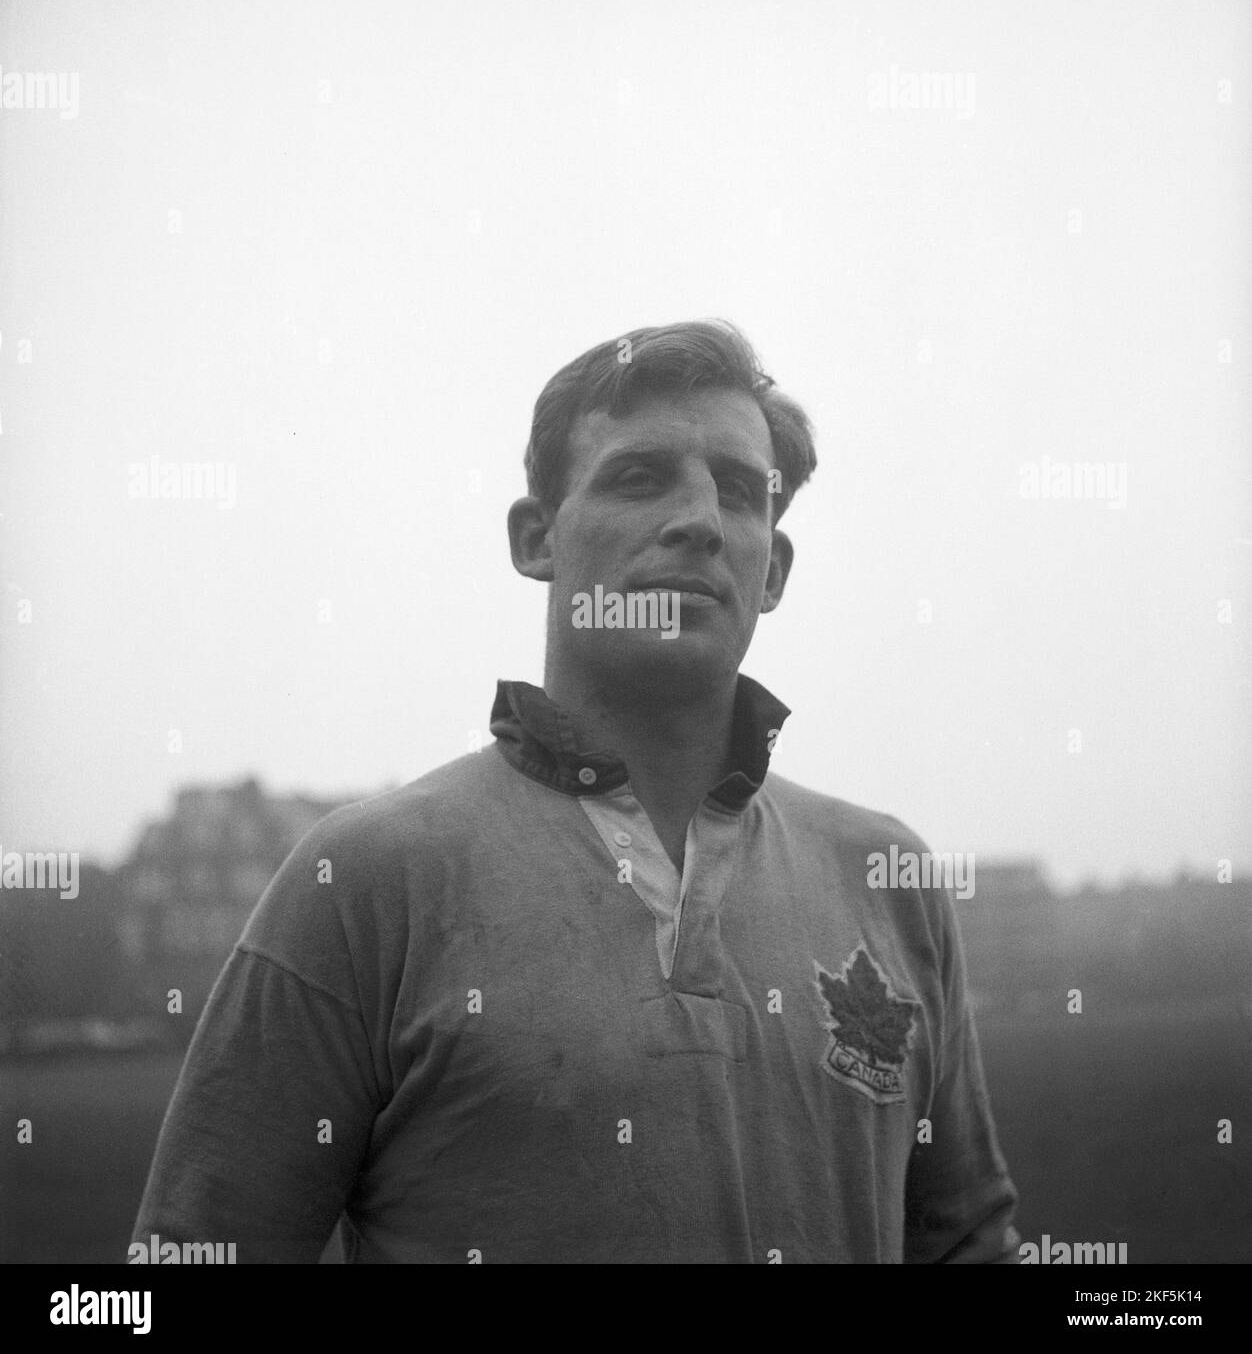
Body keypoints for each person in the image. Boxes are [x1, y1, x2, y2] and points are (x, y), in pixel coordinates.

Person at [132, 319, 1019, 1263]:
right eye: (640, 478)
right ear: (534, 538)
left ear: (776, 572)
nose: (700, 521)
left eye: (739, 492)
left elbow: (968, 1245)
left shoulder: (888, 877)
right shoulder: (361, 880)